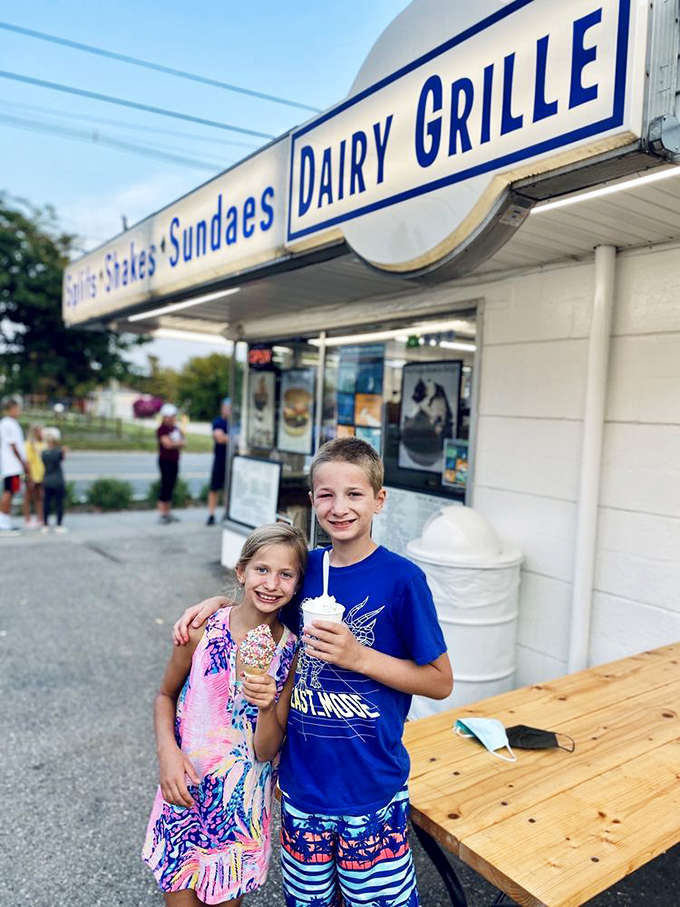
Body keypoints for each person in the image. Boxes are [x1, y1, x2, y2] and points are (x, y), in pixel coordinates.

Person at [173, 437, 454, 906]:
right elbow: (264, 598)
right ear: (312, 501)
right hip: (302, 789)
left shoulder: (403, 580)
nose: (339, 506)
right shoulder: (307, 569)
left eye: (354, 494)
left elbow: (440, 681)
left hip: (371, 787)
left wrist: (359, 656)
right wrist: (219, 604)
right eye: (326, 494)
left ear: (379, 500)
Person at [142, 523, 305, 906]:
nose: (271, 583)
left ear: (297, 585)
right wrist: (167, 754)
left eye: (286, 574)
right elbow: (165, 695)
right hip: (184, 792)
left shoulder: (291, 651)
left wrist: (266, 703)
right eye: (262, 570)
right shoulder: (201, 630)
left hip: (240, 808)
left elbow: (266, 750)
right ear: (241, 571)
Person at [0, 396, 28, 536]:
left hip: (14, 465)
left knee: (11, 491)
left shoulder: (11, 423)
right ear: (10, 409)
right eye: (17, 408)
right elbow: (13, 446)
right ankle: (2, 523)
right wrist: (23, 462)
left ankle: (6, 521)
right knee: (8, 492)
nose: (19, 411)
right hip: (12, 465)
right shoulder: (7, 423)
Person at [157, 403, 185, 525]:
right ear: (165, 417)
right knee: (165, 485)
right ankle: (162, 514)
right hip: (165, 461)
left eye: (174, 416)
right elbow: (166, 444)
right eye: (170, 416)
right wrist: (177, 443)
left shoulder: (175, 428)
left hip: (175, 460)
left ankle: (168, 513)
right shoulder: (161, 429)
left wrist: (176, 443)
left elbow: (184, 442)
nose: (172, 418)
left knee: (171, 485)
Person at [206, 397, 230, 526]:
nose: (228, 410)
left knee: (229, 489)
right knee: (214, 488)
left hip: (231, 461)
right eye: (226, 408)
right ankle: (211, 514)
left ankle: (226, 513)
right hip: (219, 460)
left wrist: (228, 438)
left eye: (230, 408)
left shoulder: (236, 423)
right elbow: (220, 438)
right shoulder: (218, 422)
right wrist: (232, 438)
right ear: (222, 408)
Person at [41, 427, 68, 533]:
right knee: (59, 503)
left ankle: (45, 525)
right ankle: (59, 525)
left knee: (46, 503)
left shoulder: (43, 453)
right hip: (57, 480)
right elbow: (62, 458)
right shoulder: (58, 452)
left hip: (47, 480)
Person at [24, 424, 45, 529]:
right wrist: (29, 475)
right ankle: (27, 520)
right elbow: (27, 461)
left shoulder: (42, 444)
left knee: (39, 496)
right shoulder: (28, 444)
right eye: (39, 431)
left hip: (41, 474)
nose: (41, 433)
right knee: (28, 496)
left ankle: (40, 518)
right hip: (31, 473)